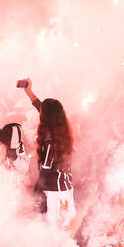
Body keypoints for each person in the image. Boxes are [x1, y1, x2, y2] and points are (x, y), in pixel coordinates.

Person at [20, 78, 75, 228]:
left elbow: (46, 167)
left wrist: (30, 154)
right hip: (63, 188)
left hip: (52, 192)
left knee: (50, 232)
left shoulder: (50, 141)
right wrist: (29, 92)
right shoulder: (61, 130)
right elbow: (41, 108)